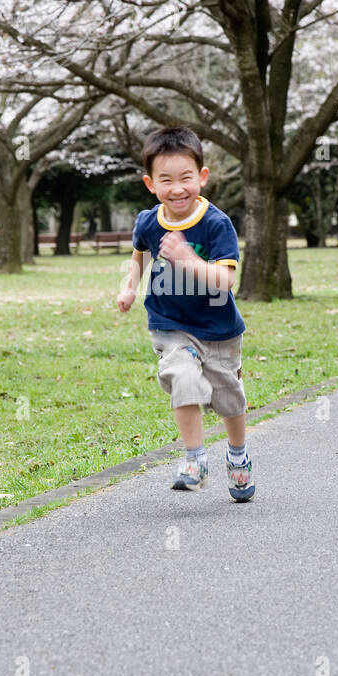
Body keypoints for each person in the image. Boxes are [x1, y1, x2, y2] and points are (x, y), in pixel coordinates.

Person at [116, 126, 254, 502]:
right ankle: (194, 458)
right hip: (170, 324)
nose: (177, 188)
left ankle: (238, 454)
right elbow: (140, 252)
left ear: (202, 177)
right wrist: (130, 286)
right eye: (166, 180)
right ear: (150, 183)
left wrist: (188, 258)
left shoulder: (215, 223)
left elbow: (224, 281)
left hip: (218, 328)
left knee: (229, 399)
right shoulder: (149, 221)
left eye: (186, 178)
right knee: (182, 376)